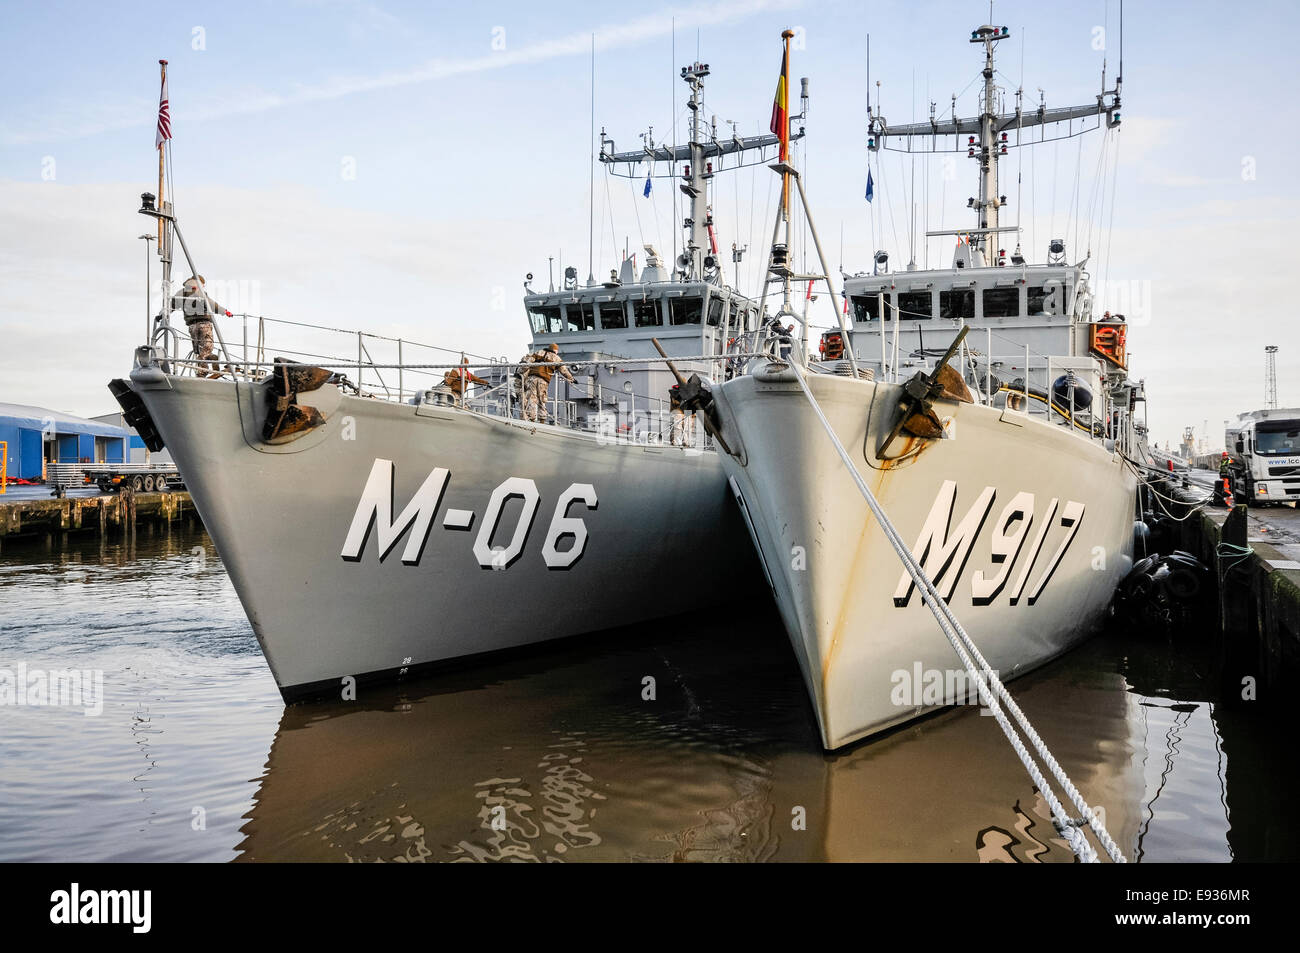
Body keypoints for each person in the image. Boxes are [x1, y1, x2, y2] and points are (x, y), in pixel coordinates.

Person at [170, 275, 231, 378]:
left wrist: (162, 314)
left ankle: (212, 359)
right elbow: (210, 304)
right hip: (204, 324)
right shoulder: (199, 291)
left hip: (192, 326)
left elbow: (172, 306)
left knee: (199, 349)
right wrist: (224, 311)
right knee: (208, 347)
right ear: (201, 283)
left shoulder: (181, 292)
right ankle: (203, 371)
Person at [520, 343, 575, 423]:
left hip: (531, 378)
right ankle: (542, 419)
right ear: (555, 350)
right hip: (543, 380)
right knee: (542, 399)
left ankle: (531, 419)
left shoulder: (538, 352)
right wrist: (572, 379)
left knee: (531, 398)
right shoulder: (556, 358)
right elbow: (564, 370)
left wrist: (522, 373)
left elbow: (526, 364)